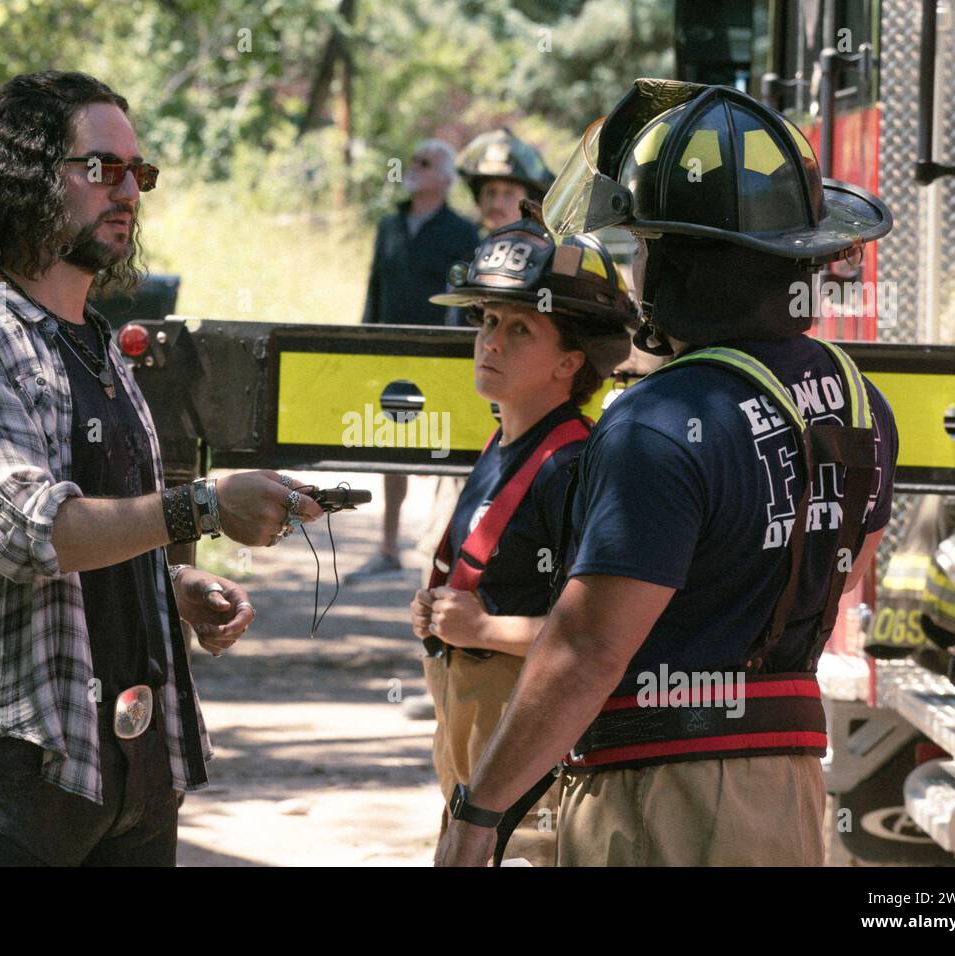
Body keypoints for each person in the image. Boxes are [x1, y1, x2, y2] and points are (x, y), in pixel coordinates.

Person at [433, 79, 899, 867]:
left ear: (682, 267)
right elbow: (845, 573)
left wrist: (480, 810)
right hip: (786, 786)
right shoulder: (858, 399)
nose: (639, 268)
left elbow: (587, 651)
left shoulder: (656, 420)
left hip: (664, 798)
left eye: (647, 247)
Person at [0, 70, 324, 866]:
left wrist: (166, 588)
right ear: (24, 175)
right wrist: (202, 508)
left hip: (132, 779)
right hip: (14, 778)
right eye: (101, 168)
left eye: (140, 172)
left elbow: (91, 543)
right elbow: (25, 535)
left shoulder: (98, 342)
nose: (128, 191)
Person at [410, 208, 636, 865]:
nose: (491, 342)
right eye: (485, 322)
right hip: (472, 744)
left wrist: (481, 631)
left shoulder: (570, 468)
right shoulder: (505, 442)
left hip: (529, 760)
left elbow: (602, 634)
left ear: (571, 360)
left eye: (518, 328)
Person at [351, 140, 480, 582]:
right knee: (391, 448)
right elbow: (374, 286)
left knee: (450, 448)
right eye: (413, 161)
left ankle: (455, 550)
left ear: (445, 178)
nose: (414, 168)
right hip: (390, 353)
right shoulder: (389, 225)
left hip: (441, 357)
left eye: (424, 163)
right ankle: (388, 547)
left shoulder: (464, 232)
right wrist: (364, 343)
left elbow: (465, 298)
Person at [455, 127, 556, 235]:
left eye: (509, 194)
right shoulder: (465, 248)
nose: (496, 204)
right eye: (490, 192)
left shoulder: (548, 251)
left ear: (530, 205)